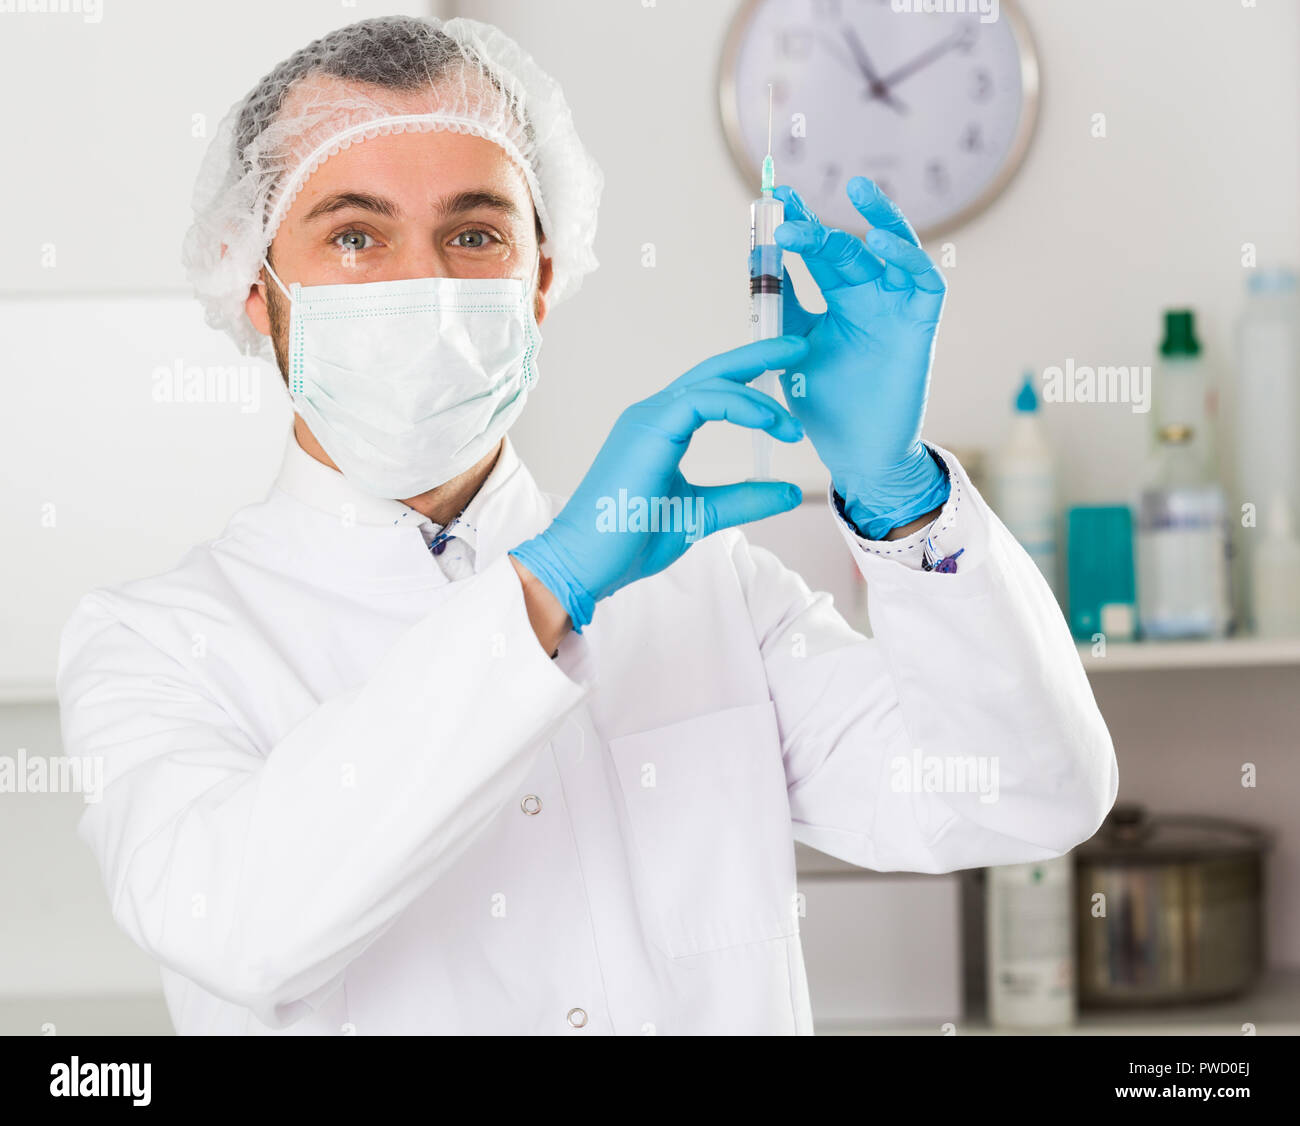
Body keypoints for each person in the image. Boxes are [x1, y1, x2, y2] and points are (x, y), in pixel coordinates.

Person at [57, 14, 1116, 1035]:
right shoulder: (155, 641)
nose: (424, 282)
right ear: (255, 285)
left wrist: (899, 497)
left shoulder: (707, 586)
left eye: (474, 233)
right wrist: (544, 587)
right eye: (354, 235)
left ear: (544, 279)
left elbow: (1023, 797)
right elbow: (243, 928)